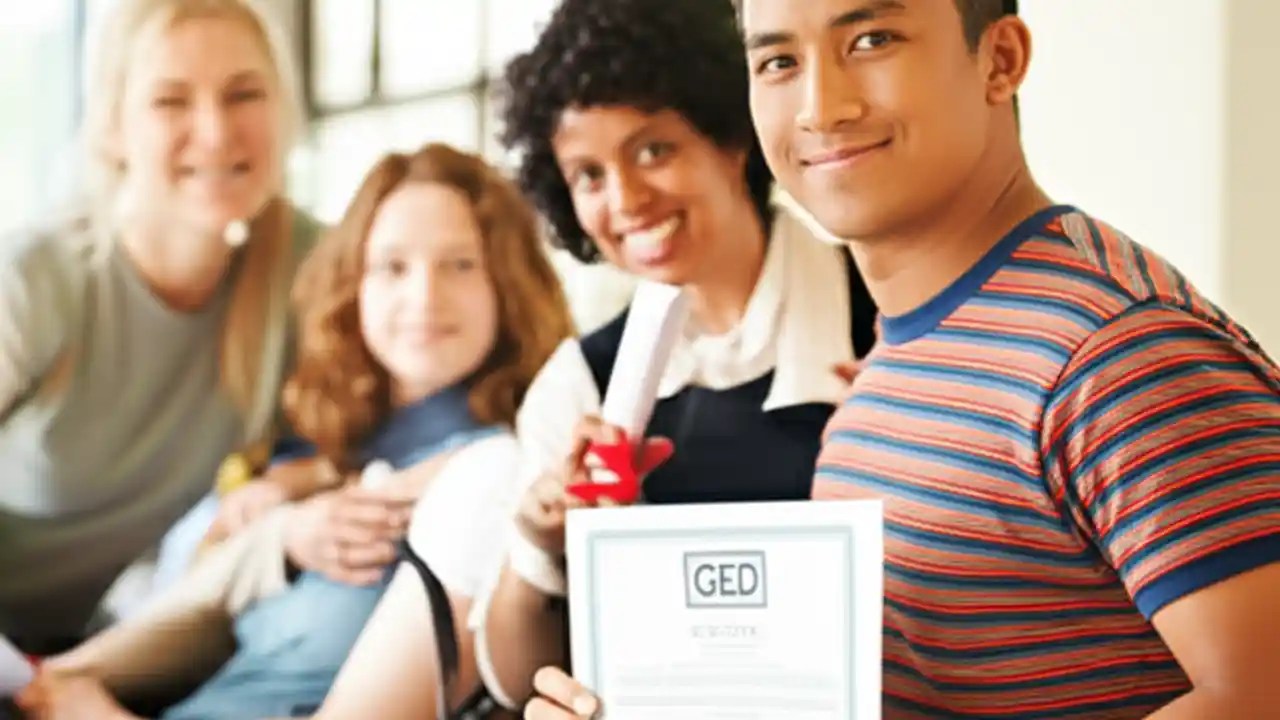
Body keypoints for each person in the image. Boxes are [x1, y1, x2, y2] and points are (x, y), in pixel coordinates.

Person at [529, 0, 1280, 717]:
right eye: (780, 61)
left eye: (872, 40)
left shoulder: (1114, 351)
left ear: (1000, 59)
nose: (822, 107)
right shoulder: (903, 351)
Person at [16, 143, 575, 720]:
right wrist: (282, 523)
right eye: (392, 267)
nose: (424, 297)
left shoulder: (499, 472)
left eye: (461, 264)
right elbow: (175, 596)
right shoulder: (313, 449)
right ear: (355, 285)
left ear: (506, 286)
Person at [478, 0, 879, 711]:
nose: (626, 198)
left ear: (731, 138)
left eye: (653, 149)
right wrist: (544, 543)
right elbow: (520, 686)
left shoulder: (881, 323)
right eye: (588, 175)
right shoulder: (577, 386)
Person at [0, 0, 321, 650]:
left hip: (122, 650)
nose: (215, 132)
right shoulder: (37, 279)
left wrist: (296, 480)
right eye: (171, 101)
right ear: (114, 125)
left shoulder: (308, 266)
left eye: (244, 94)